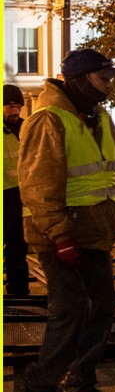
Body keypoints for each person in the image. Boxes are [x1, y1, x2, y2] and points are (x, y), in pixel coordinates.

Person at [16, 49, 115, 392]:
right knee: (71, 309)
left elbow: (111, 175)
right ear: (79, 79)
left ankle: (80, 380)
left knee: (102, 308)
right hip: (61, 236)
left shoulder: (99, 118)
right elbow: (39, 186)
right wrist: (60, 235)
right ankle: (41, 382)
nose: (108, 88)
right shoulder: (49, 120)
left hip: (95, 232)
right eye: (102, 80)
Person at [4, 84, 30, 296]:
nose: (15, 111)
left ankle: (19, 292)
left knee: (17, 248)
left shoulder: (24, 129)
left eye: (18, 107)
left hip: (18, 198)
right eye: (10, 107)